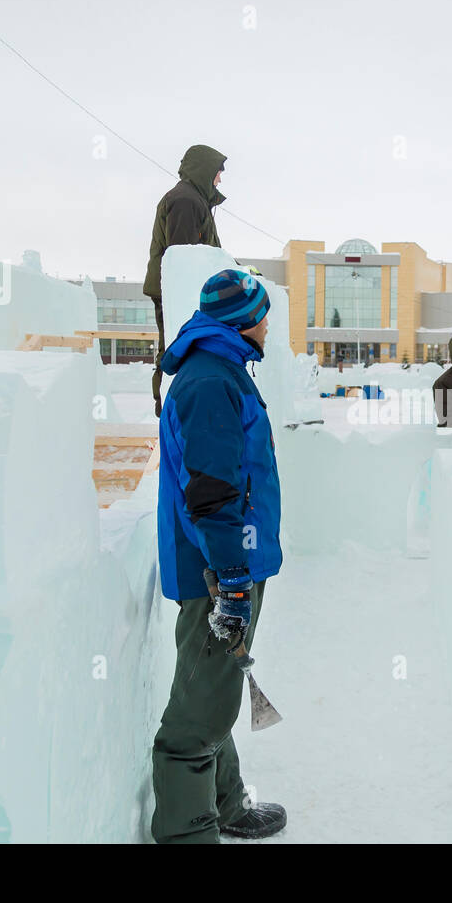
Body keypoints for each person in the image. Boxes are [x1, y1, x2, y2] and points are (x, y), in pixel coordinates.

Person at [151, 267, 286, 844]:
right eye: (262, 314)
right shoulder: (211, 382)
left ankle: (226, 805)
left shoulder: (222, 371)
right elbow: (211, 493)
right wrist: (230, 581)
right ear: (243, 320)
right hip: (217, 567)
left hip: (230, 562)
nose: (267, 325)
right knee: (198, 713)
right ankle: (186, 834)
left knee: (217, 685)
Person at [143, 144, 228, 417]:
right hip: (177, 294)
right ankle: (169, 408)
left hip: (184, 293)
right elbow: (183, 257)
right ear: (204, 170)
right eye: (217, 173)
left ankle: (176, 407)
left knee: (181, 345)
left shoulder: (195, 200)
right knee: (176, 346)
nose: (219, 179)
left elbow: (205, 251)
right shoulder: (185, 201)